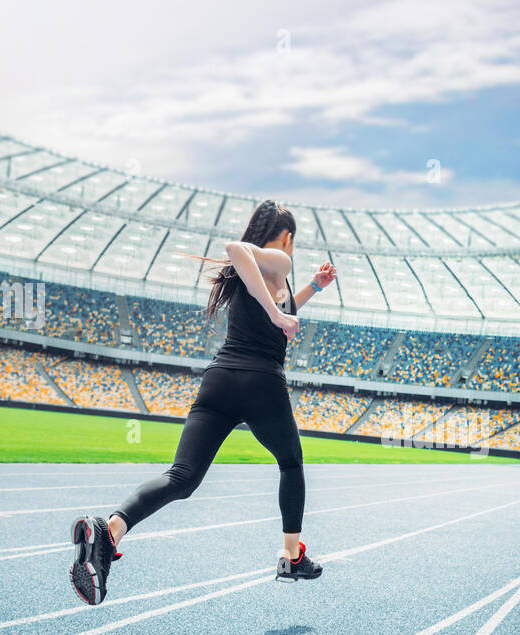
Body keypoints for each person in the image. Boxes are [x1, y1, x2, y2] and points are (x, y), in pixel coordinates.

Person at [68, 200, 336, 605]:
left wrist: (312, 289)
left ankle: (108, 531)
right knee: (291, 463)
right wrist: (279, 318)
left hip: (219, 382)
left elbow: (278, 305)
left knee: (182, 477)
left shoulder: (257, 277)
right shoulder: (277, 258)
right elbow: (236, 250)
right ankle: (291, 553)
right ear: (288, 237)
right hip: (261, 381)